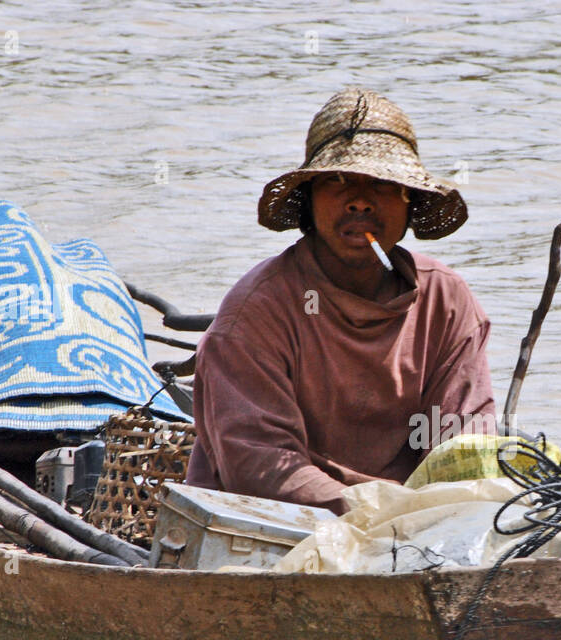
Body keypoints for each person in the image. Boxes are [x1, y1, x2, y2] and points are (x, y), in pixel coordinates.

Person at [185, 87, 496, 515]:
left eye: (383, 186)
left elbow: (459, 447)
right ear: (309, 202)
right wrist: (374, 511)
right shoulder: (257, 312)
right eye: (337, 182)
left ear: (410, 205)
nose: (359, 201)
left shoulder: (445, 300)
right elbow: (259, 467)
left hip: (412, 522)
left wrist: (431, 512)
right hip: (275, 523)